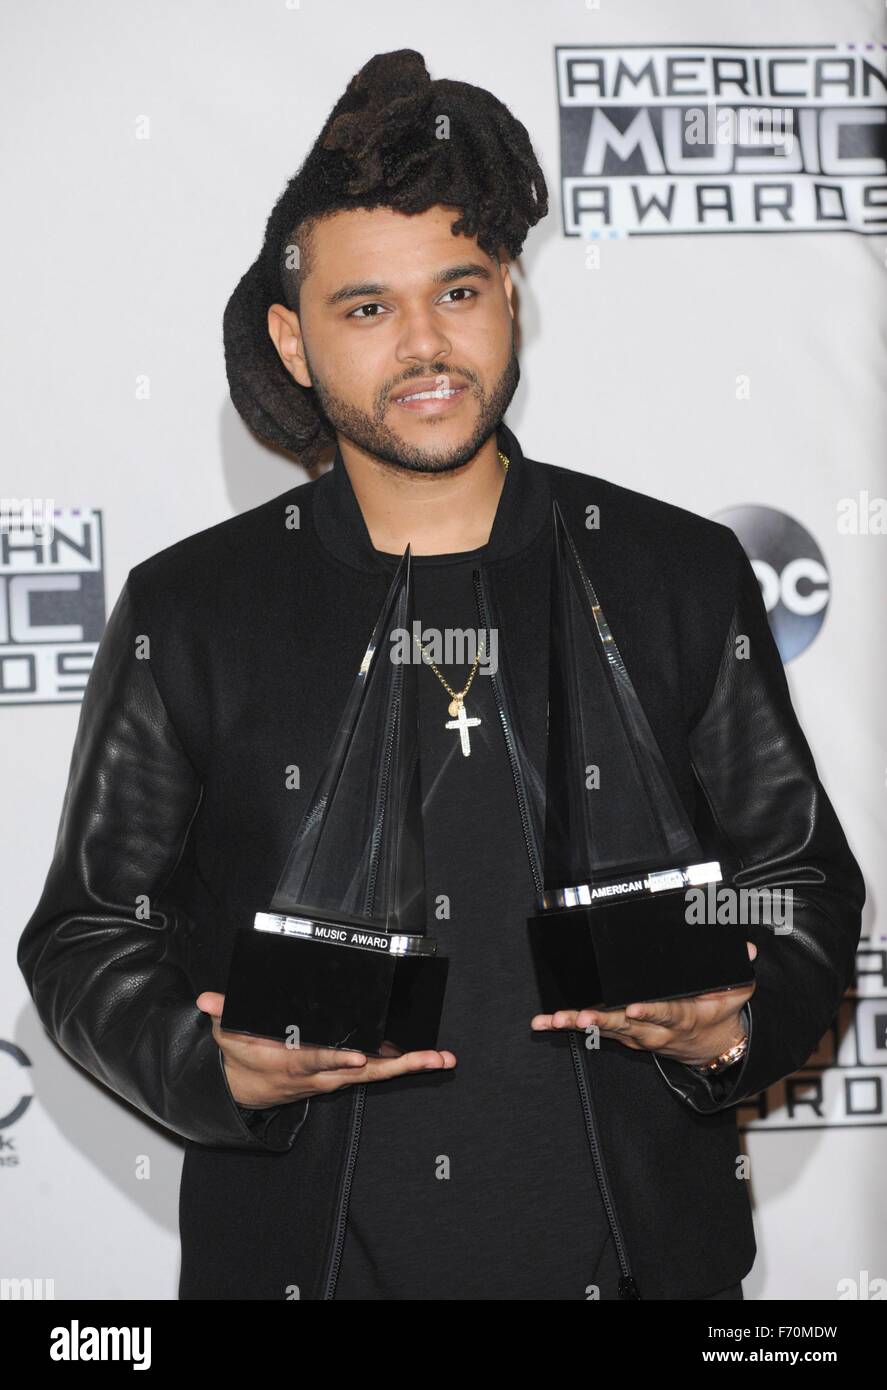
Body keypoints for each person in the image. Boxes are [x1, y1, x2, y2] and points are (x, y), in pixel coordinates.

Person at [18, 49, 865, 1302]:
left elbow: (792, 883)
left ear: (509, 297)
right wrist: (214, 1064)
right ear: (293, 341)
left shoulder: (673, 572)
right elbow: (86, 931)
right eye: (366, 307)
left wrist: (732, 1023)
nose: (423, 343)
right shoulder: (191, 608)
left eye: (457, 290)